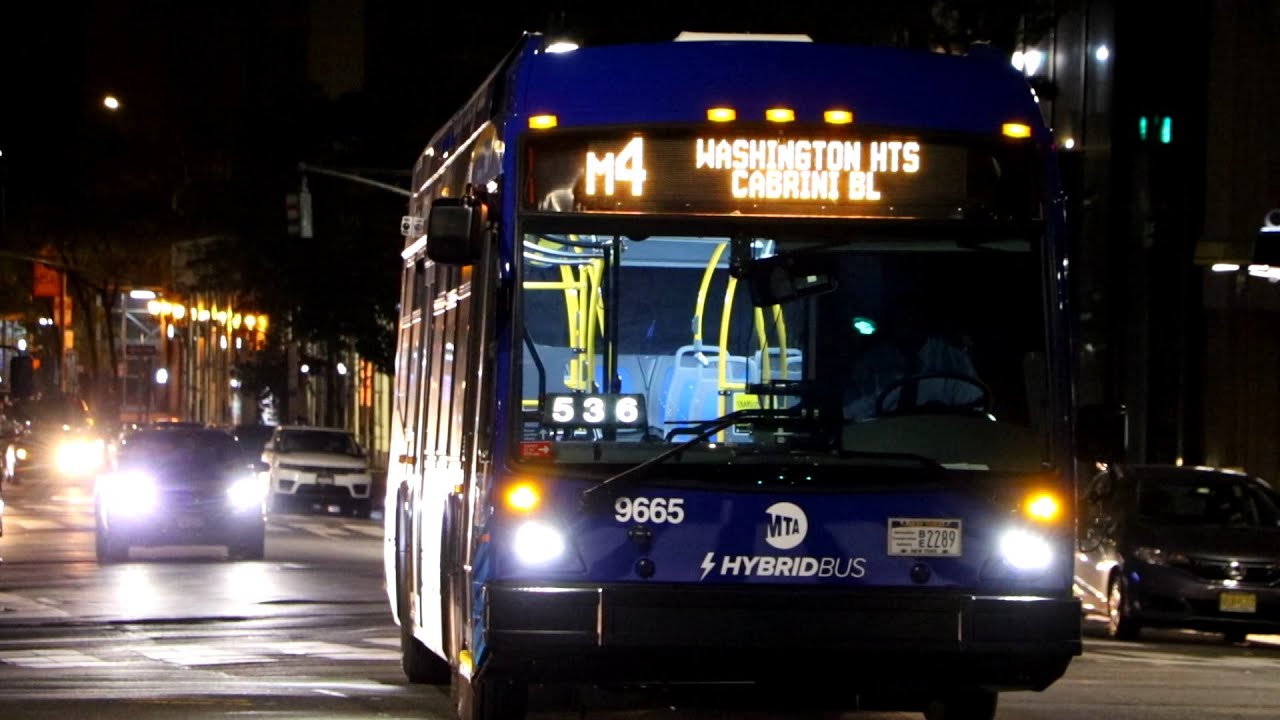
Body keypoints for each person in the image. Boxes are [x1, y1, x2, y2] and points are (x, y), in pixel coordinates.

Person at [843, 296, 986, 421]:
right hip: (886, 441)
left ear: (925, 321)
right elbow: (852, 411)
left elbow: (976, 405)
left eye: (913, 318)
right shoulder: (873, 361)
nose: (908, 325)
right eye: (901, 319)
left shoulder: (952, 359)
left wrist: (941, 413)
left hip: (944, 441)